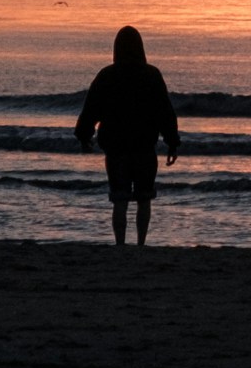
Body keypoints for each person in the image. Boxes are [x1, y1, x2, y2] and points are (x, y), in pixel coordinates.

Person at [73, 24, 182, 245]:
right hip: (144, 146)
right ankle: (141, 243)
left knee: (119, 199)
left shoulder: (106, 75)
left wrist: (84, 135)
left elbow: (91, 108)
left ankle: (120, 244)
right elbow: (164, 111)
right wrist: (172, 141)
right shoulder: (152, 75)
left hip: (116, 147)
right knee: (144, 198)